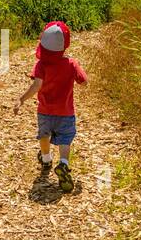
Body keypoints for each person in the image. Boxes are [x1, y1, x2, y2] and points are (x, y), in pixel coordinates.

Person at [13, 20, 87, 192]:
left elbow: (36, 85)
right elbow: (84, 82)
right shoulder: (71, 63)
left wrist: (21, 99)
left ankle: (46, 159)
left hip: (45, 111)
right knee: (65, 139)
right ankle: (63, 164)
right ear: (65, 45)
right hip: (66, 112)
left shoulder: (41, 65)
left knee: (44, 136)